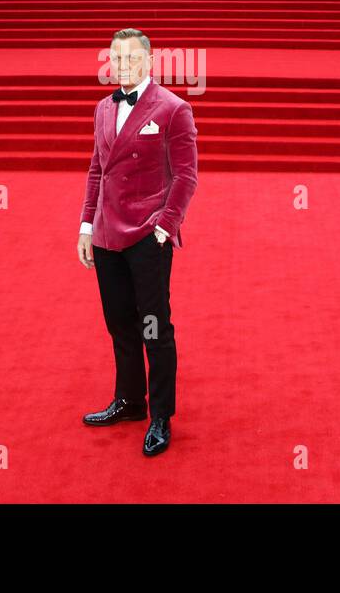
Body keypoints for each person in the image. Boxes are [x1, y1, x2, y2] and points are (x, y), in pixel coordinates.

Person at [78, 28, 198, 457]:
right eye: (115, 58)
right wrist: (86, 226)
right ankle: (130, 401)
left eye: (130, 58)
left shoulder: (173, 109)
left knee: (154, 328)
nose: (122, 65)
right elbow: (97, 169)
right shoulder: (102, 108)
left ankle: (161, 416)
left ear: (148, 61)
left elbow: (185, 176)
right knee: (119, 324)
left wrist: (164, 227)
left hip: (148, 235)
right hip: (108, 235)